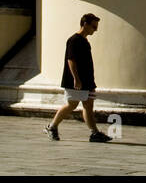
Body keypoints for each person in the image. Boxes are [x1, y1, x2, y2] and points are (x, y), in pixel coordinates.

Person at [45, 13, 110, 142]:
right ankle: (52, 127)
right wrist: (76, 78)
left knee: (85, 105)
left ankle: (94, 133)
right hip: (77, 81)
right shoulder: (74, 40)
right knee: (72, 105)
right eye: (94, 26)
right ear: (85, 24)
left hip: (87, 81)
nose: (96, 30)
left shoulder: (84, 41)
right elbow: (71, 60)